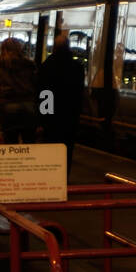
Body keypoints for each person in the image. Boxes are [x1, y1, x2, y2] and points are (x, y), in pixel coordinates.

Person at [37, 32, 85, 173]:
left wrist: (43, 118)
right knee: (67, 149)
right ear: (68, 47)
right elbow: (79, 93)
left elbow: (44, 93)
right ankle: (64, 178)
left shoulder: (46, 66)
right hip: (70, 116)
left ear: (54, 48)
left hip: (51, 116)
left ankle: (51, 177)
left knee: (49, 148)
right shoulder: (77, 67)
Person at [0, 37, 37, 144]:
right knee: (29, 143)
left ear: (3, 49)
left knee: (10, 143)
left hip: (8, 109)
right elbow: (38, 87)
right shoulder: (29, 66)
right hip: (28, 108)